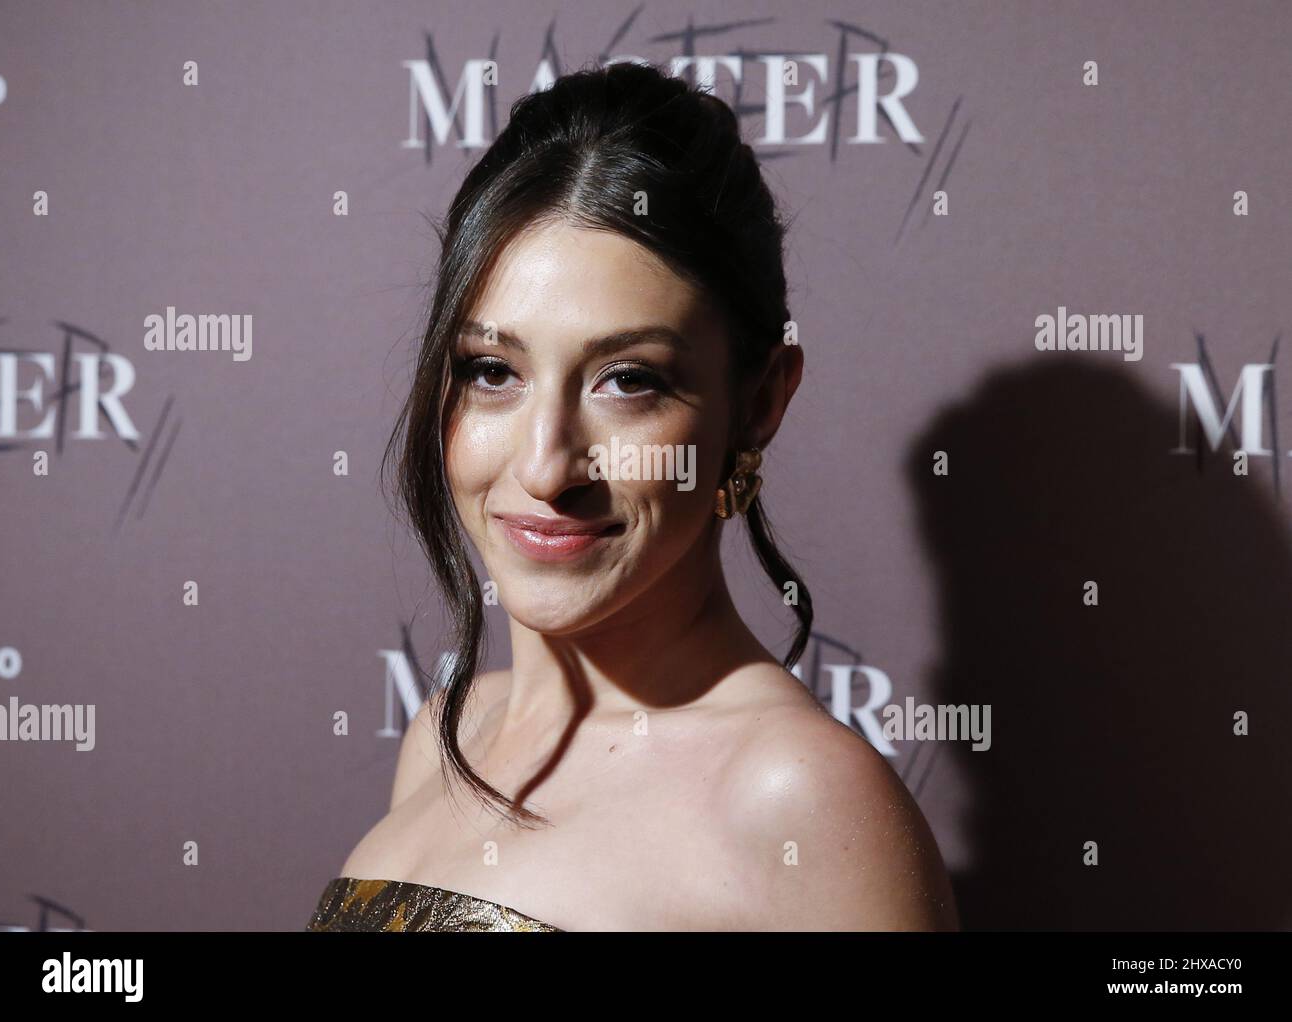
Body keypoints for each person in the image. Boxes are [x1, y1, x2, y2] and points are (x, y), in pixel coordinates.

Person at [306, 59, 959, 932]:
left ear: (759, 402)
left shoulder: (801, 801)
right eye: (493, 371)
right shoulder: (446, 737)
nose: (546, 468)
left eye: (628, 380)